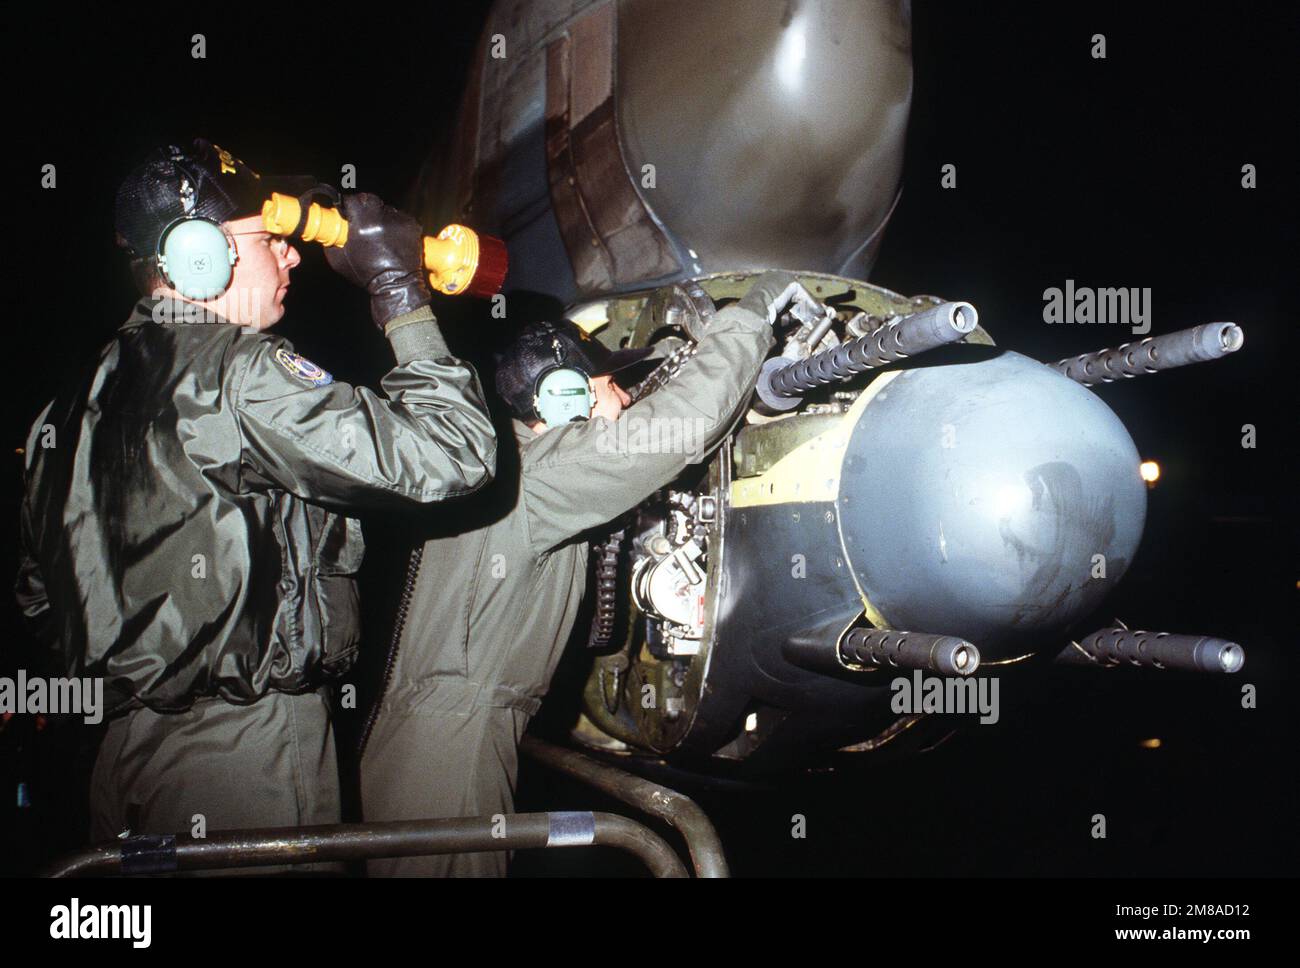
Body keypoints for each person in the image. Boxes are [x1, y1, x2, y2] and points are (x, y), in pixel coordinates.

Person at [14, 140, 497, 854]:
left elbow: (39, 599)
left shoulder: (61, 412)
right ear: (200, 256)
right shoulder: (238, 374)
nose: (293, 256)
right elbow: (454, 451)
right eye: (270, 239)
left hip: (117, 767)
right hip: (244, 761)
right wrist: (399, 289)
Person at [360, 271, 814, 875]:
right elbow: (685, 423)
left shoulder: (505, 467)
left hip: (440, 733)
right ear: (563, 395)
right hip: (454, 745)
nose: (624, 401)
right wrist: (751, 314)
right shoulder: (537, 475)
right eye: (610, 387)